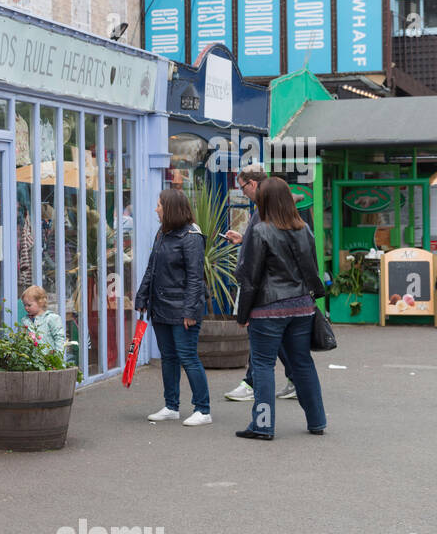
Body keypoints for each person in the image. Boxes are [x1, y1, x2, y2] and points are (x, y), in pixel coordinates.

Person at [233, 178, 327, 440]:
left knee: (263, 365)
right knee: (302, 363)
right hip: (301, 307)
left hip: (268, 309)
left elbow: (250, 277)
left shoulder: (260, 230)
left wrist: (243, 315)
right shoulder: (303, 229)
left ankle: (262, 425)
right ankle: (317, 421)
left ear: (265, 201)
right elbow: (312, 270)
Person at [135, 188, 212, 426]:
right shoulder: (163, 233)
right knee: (168, 357)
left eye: (159, 204)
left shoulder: (191, 237)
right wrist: (142, 298)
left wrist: (190, 312)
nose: (155, 208)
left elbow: (195, 278)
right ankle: (171, 406)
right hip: (161, 307)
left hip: (182, 309)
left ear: (169, 208)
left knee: (188, 357)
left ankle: (203, 409)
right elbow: (152, 268)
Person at [223, 166, 298, 402]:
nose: (242, 191)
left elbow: (269, 249)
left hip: (266, 289)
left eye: (242, 186)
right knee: (278, 340)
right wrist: (243, 240)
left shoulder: (264, 210)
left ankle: (252, 384)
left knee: (262, 337)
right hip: (280, 291)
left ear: (253, 184)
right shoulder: (269, 210)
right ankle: (294, 379)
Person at [21, 285, 67, 357]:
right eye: (24, 305)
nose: (26, 308)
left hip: (49, 360)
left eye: (29, 305)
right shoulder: (25, 321)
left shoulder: (51, 318)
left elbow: (59, 339)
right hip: (31, 361)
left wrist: (58, 359)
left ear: (40, 302)